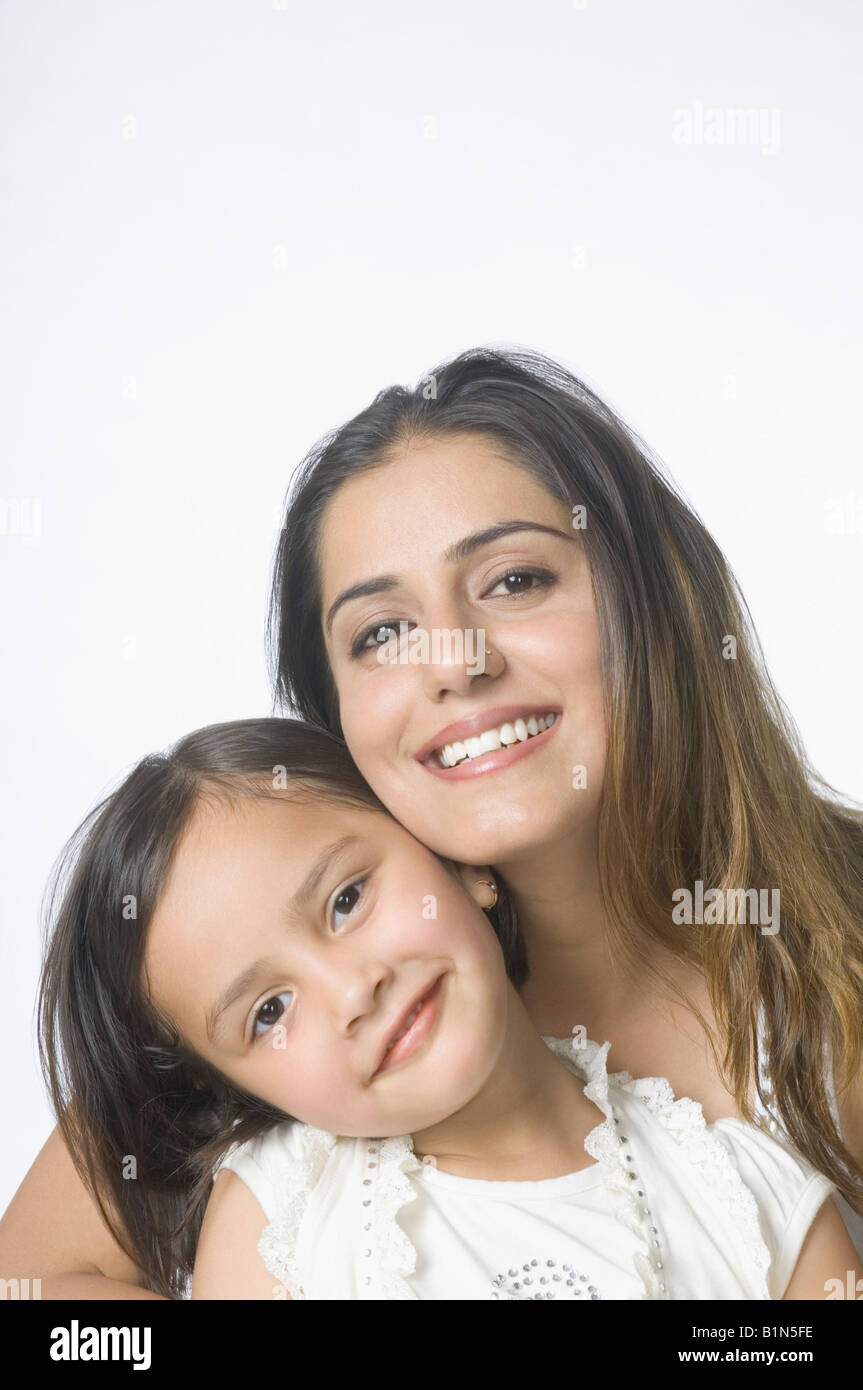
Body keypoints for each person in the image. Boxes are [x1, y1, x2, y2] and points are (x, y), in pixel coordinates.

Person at [2, 347, 861, 1293]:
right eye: (381, 633)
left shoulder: (827, 973)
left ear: (657, 594)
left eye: (515, 580)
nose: (453, 662)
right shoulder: (300, 982)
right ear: (332, 716)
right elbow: (32, 1288)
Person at [26, 718, 862, 1300]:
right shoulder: (282, 1215)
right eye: (270, 1011)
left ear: (461, 858)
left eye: (348, 898)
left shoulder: (744, 1194)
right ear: (241, 1087)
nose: (353, 992)